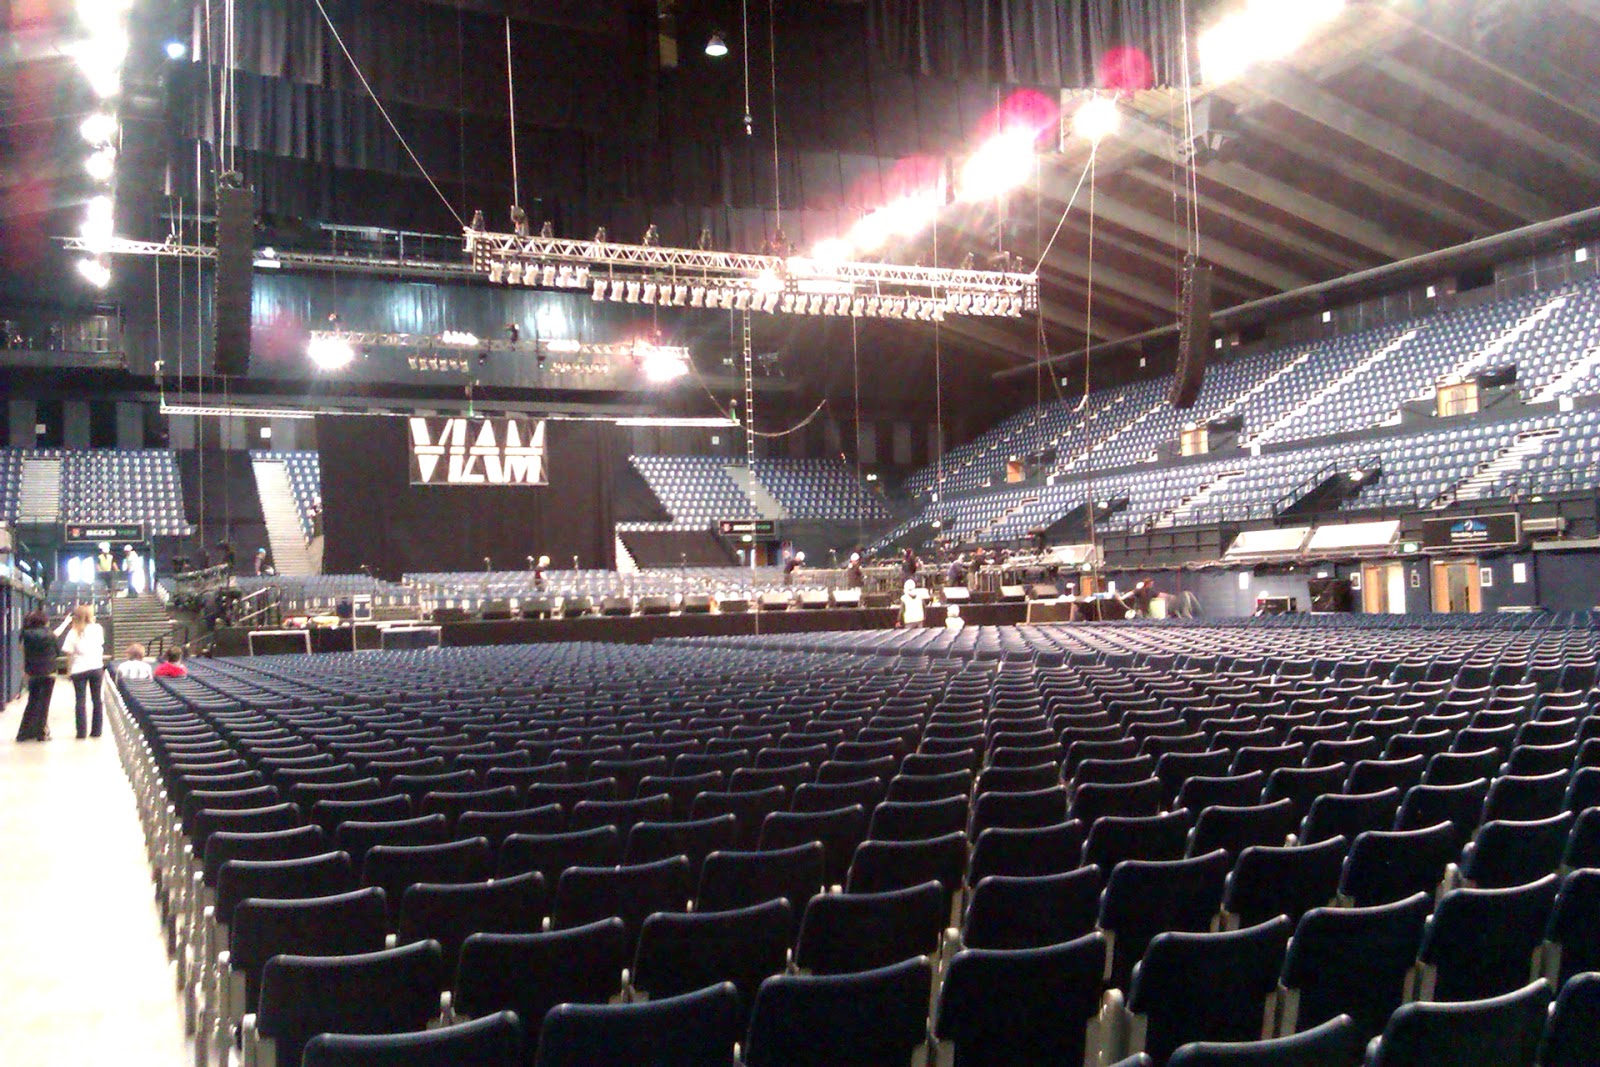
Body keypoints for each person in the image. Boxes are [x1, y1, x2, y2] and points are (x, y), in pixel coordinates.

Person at [59, 604, 106, 738]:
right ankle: (96, 731)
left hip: (79, 669)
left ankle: (81, 732)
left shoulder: (73, 632)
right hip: (96, 667)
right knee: (97, 700)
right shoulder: (98, 628)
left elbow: (69, 653)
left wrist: (68, 671)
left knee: (80, 701)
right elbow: (100, 643)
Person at [16, 609, 59, 741]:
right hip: (49, 673)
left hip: (32, 673)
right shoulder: (51, 634)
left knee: (32, 702)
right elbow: (57, 652)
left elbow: (23, 651)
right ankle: (41, 732)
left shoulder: (25, 635)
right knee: (44, 704)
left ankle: (24, 733)